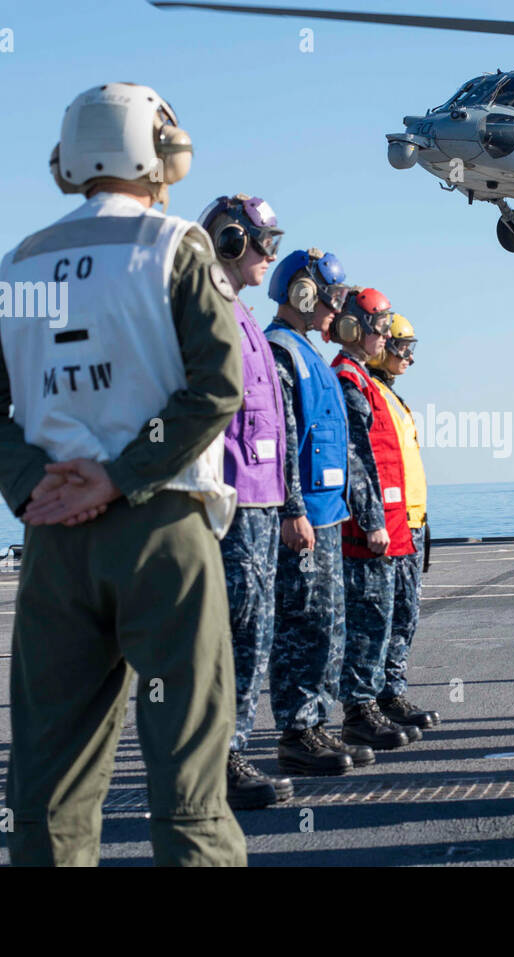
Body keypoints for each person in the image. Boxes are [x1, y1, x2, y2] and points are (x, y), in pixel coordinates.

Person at [0, 83, 248, 865]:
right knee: (187, 781)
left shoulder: (20, 260)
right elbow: (217, 388)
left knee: (47, 784)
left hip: (54, 542)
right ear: (159, 151)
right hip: (162, 531)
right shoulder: (175, 244)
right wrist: (120, 475)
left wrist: (35, 482)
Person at [197, 193, 294, 809]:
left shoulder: (245, 315)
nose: (269, 254)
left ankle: (233, 749)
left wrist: (287, 505)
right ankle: (218, 762)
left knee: (252, 632)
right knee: (231, 635)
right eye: (263, 241)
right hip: (228, 506)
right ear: (231, 241)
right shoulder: (207, 311)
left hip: (260, 503)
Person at [264, 248, 375, 775]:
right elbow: (282, 438)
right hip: (303, 517)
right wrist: (290, 509)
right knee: (302, 622)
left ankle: (316, 724)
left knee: (327, 623)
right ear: (302, 295)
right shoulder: (280, 351)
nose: (336, 309)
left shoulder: (309, 354)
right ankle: (296, 732)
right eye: (329, 298)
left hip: (327, 514)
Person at [330, 289, 420, 749]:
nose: (386, 335)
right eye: (378, 327)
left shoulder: (368, 380)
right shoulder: (349, 380)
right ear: (352, 330)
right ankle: (359, 711)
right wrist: (370, 521)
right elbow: (356, 459)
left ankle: (375, 703)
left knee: (384, 616)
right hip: (368, 528)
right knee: (367, 619)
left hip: (390, 522)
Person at [365, 315, 441, 729]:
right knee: (386, 615)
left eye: (412, 346)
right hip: (393, 524)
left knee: (404, 615)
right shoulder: (372, 392)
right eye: (402, 346)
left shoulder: (391, 397)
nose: (409, 355)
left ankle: (392, 692)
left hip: (411, 522)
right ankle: (378, 699)